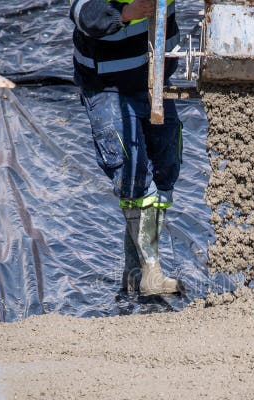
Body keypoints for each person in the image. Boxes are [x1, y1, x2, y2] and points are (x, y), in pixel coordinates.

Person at [70, 0, 182, 295]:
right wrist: (124, 13)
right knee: (133, 176)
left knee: (165, 171)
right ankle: (151, 271)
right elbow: (85, 14)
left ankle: (134, 271)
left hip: (155, 78)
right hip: (108, 85)